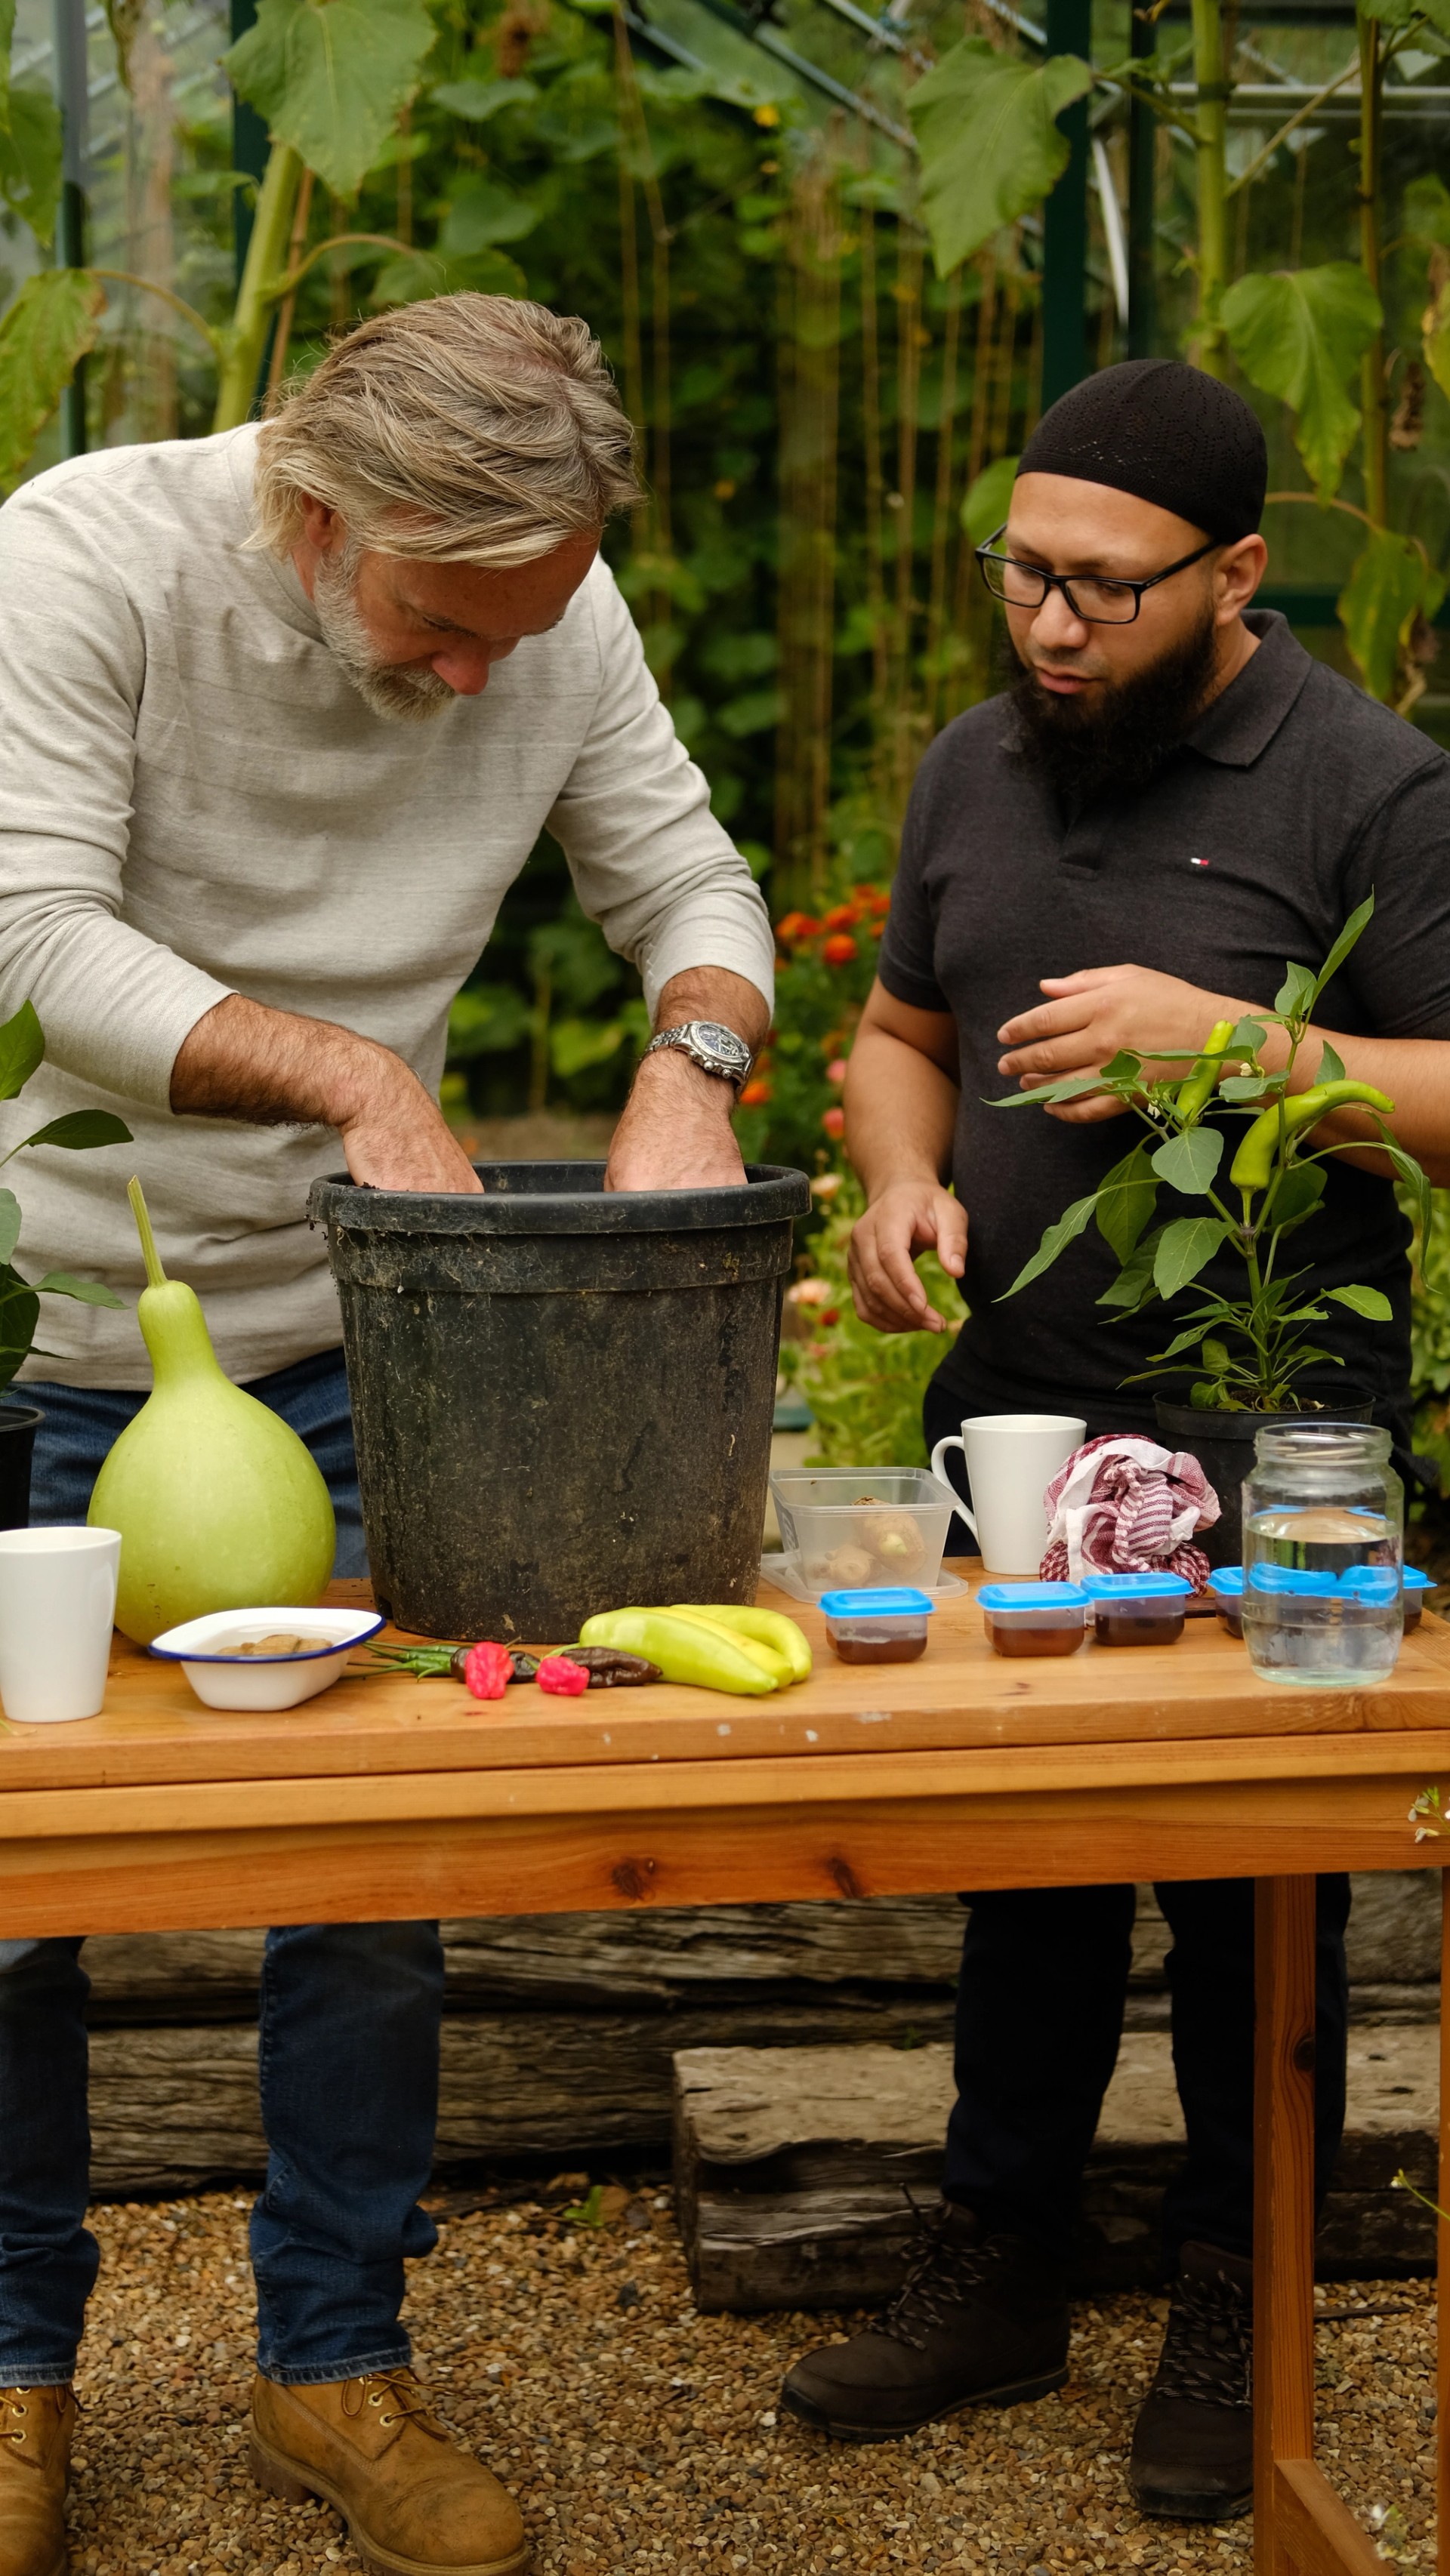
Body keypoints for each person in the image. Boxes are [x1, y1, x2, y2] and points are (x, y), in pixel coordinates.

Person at [0, 294, 773, 2576]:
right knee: (8, 1899)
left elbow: (692, 885)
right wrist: (359, 1072)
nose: (476, 681)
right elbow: (30, 938)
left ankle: (333, 2361)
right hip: (42, 1319)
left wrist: (691, 1054)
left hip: (360, 1340)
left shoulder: (548, 598)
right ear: (318, 508)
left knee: (375, 1875)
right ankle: (15, 2368)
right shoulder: (84, 555)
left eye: (512, 634)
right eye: (444, 627)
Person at [779, 358, 1450, 2521]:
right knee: (1029, 1864)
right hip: (1018, 1415)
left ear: (1237, 573)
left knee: (1251, 1884)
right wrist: (897, 1172)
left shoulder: (1373, 781)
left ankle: (1239, 2286)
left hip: (1284, 1435)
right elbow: (904, 1029)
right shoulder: (979, 762)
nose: (1050, 627)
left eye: (1102, 590)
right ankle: (1002, 2253)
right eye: (1024, 577)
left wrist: (1241, 1046)